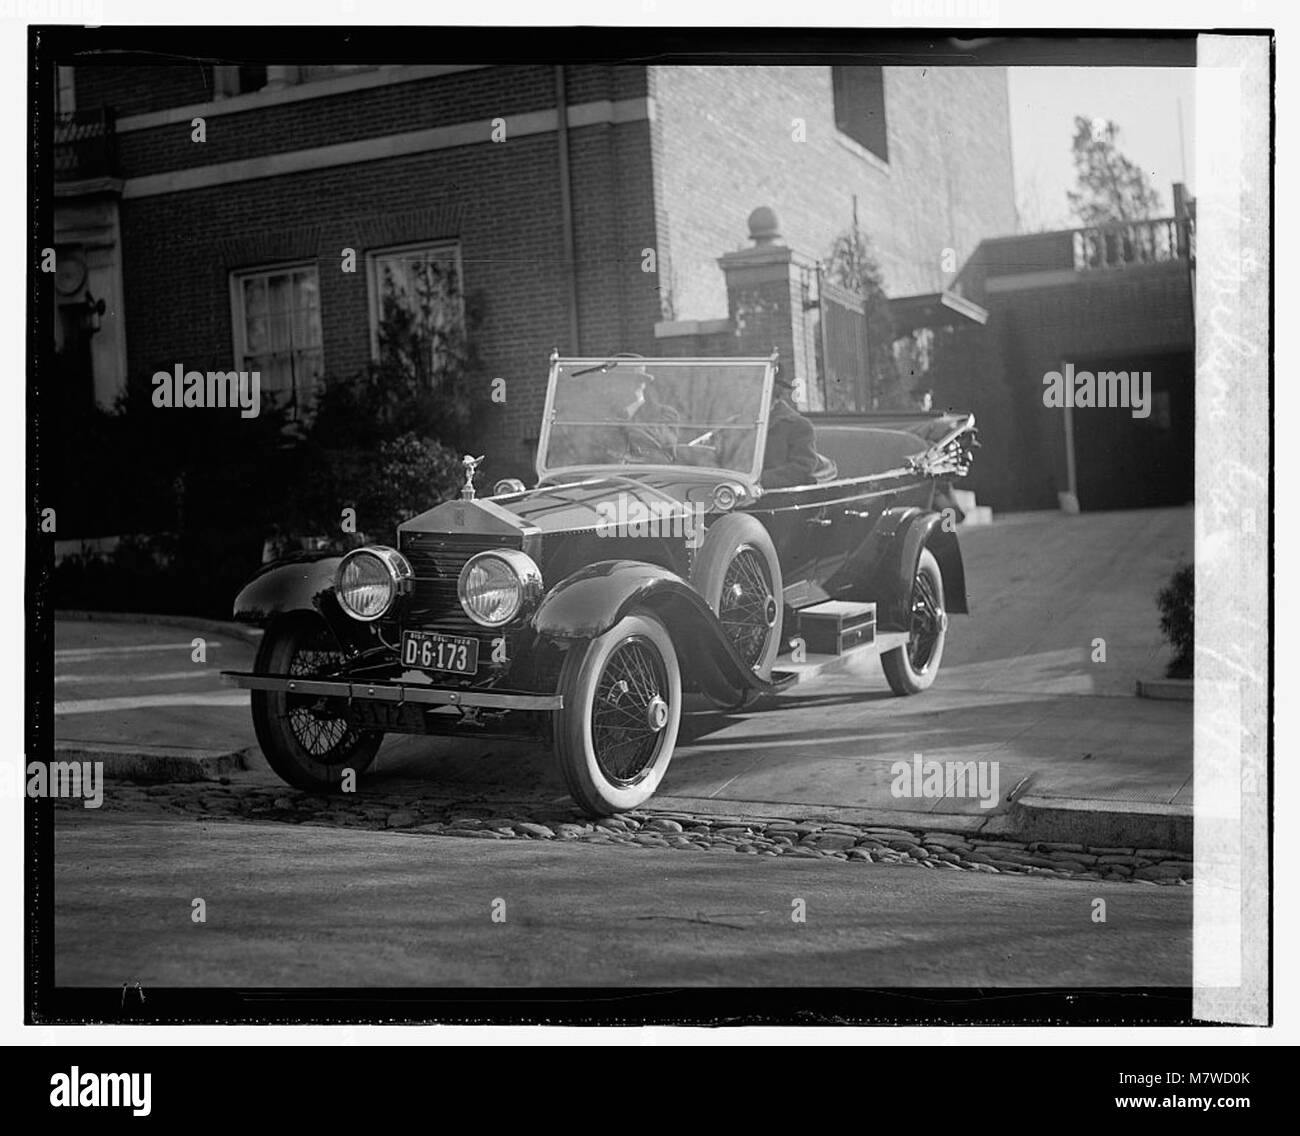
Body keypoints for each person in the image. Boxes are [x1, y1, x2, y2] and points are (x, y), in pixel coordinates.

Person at [761, 366, 818, 488]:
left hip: (775, 499)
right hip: (727, 498)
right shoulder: (736, 424)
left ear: (774, 390)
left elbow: (802, 468)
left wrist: (758, 480)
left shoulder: (798, 426)